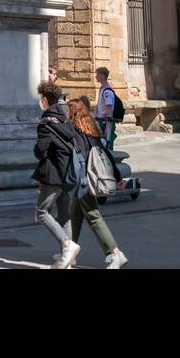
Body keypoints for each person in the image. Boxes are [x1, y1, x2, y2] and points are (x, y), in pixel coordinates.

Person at [66, 97, 128, 269]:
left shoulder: (72, 131)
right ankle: (69, 252)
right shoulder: (91, 130)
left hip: (83, 180)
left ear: (71, 113)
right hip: (90, 179)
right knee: (75, 214)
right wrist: (117, 177)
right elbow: (106, 155)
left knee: (93, 216)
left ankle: (115, 253)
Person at [33, 78, 78, 269]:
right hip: (68, 173)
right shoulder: (64, 118)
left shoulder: (46, 123)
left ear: (44, 99)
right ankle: (68, 258)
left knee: (42, 212)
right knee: (64, 215)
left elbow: (40, 151)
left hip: (52, 174)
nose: (40, 100)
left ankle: (67, 246)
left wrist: (38, 146)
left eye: (41, 97)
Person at [95, 67, 118, 150]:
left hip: (105, 123)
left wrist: (107, 129)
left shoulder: (107, 92)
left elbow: (109, 111)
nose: (96, 76)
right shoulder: (102, 89)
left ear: (102, 76)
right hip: (101, 122)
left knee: (107, 148)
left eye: (97, 74)